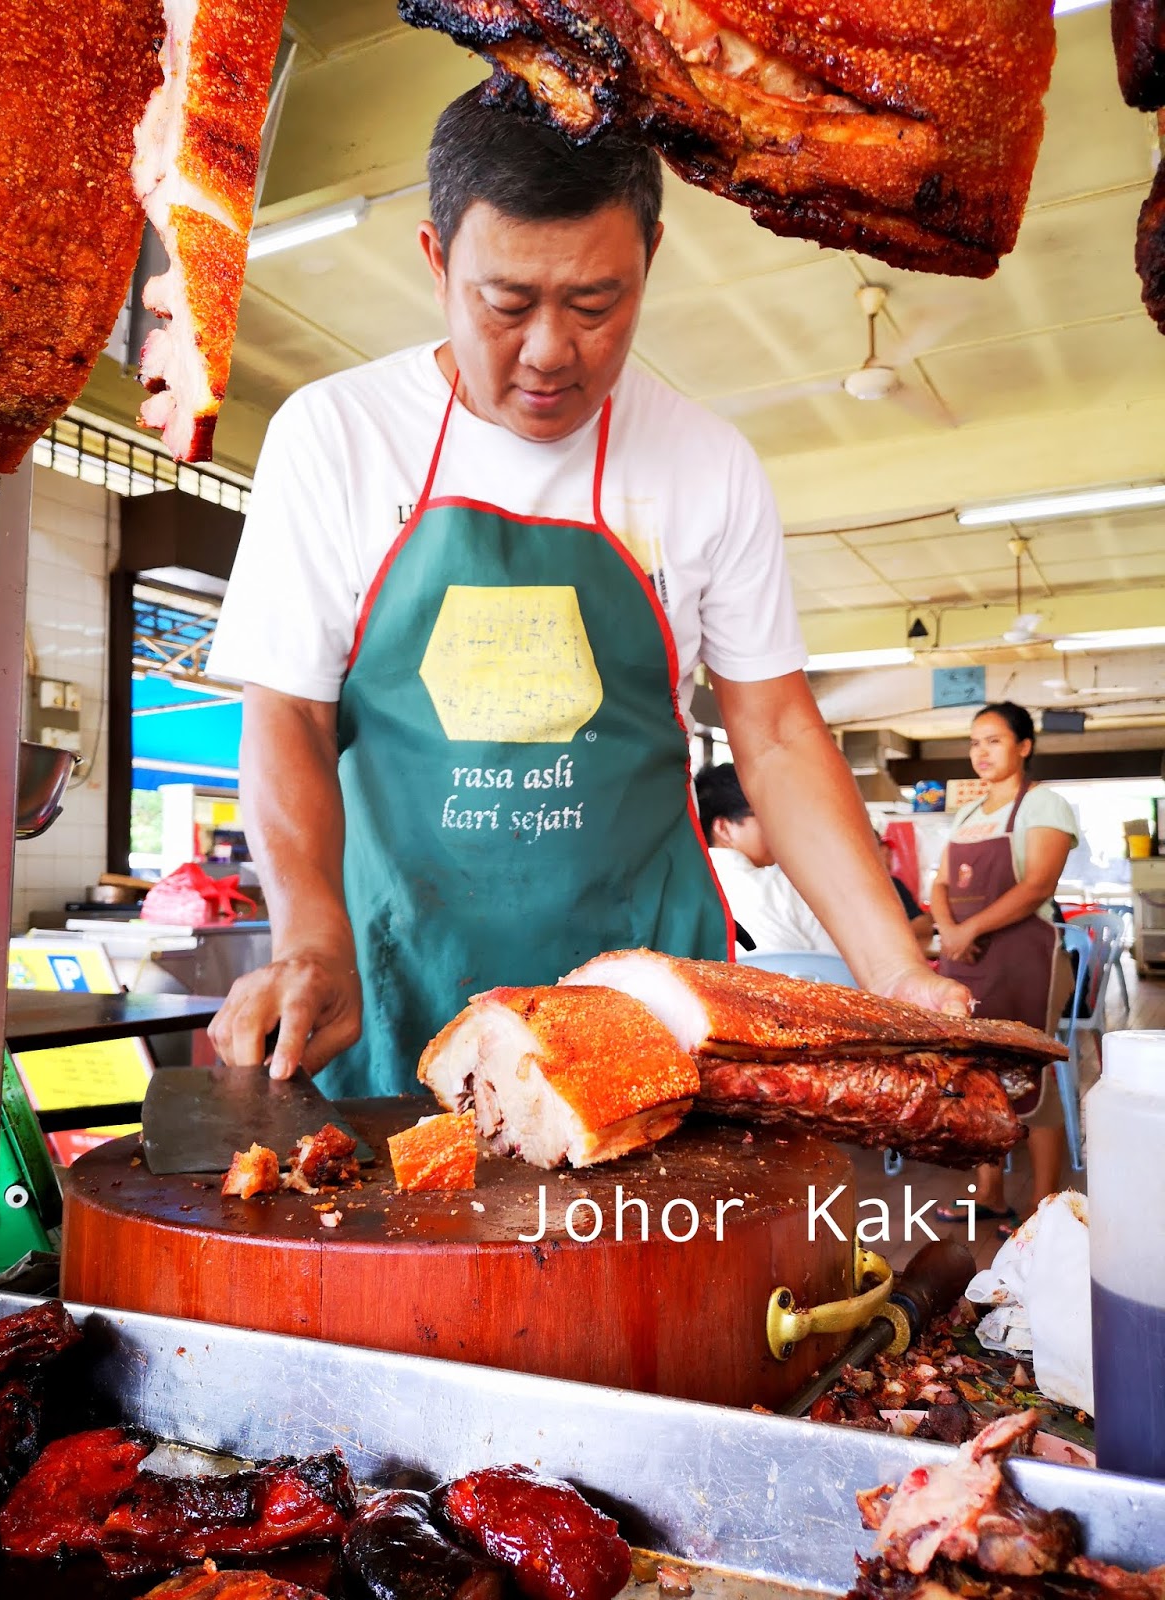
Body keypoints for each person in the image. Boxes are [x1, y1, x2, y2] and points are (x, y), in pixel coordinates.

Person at [205, 89, 970, 1096]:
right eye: (506, 303)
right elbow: (290, 713)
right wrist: (309, 938)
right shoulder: (337, 437)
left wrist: (896, 972)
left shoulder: (706, 463)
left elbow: (777, 734)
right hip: (397, 974)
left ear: (650, 256)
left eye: (596, 305)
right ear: (436, 261)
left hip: (644, 990)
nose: (549, 352)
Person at [930, 702, 1078, 1231]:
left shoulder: (1043, 804)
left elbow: (1037, 885)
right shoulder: (967, 814)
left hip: (1023, 959)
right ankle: (990, 1193)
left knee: (1030, 1075)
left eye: (994, 740)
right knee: (976, 1076)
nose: (981, 752)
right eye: (975, 742)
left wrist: (969, 929)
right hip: (965, 959)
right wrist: (949, 930)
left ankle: (1044, 1209)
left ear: (1024, 746)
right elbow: (939, 885)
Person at [695, 763, 839, 955]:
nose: (781, 829)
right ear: (724, 828)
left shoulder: (684, 892)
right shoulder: (790, 888)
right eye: (767, 816)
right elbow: (845, 961)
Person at [876, 832, 935, 952]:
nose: (889, 859)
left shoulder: (894, 885)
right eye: (884, 852)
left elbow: (923, 925)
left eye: (889, 854)